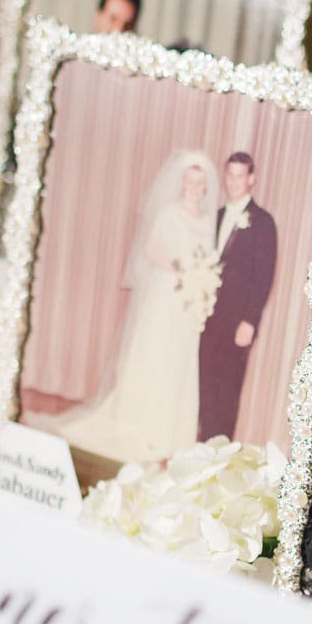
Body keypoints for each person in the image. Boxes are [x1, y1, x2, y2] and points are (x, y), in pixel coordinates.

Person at [51, 149, 218, 460]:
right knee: (154, 356)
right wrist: (180, 265)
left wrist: (202, 281)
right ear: (182, 182)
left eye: (199, 182)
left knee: (178, 363)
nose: (194, 187)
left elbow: (208, 259)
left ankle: (171, 435)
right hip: (166, 293)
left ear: (205, 186)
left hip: (189, 303)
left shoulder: (208, 220)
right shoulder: (169, 212)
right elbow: (151, 251)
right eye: (189, 181)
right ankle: (143, 428)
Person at [197, 151, 279, 442]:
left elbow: (264, 277)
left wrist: (250, 321)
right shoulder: (215, 217)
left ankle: (216, 450)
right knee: (202, 383)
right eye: (229, 175)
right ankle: (198, 444)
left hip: (236, 323)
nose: (233, 182)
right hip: (205, 316)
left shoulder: (263, 222)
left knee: (227, 388)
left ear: (251, 179)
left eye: (239, 176)